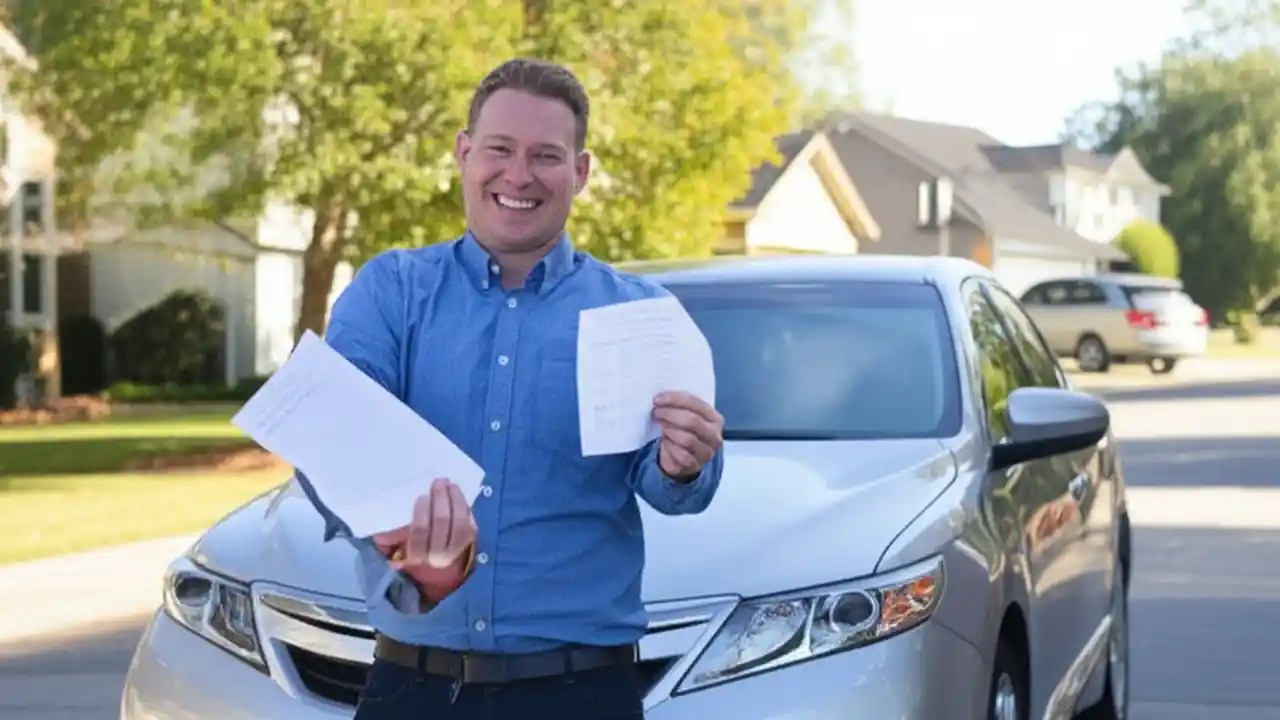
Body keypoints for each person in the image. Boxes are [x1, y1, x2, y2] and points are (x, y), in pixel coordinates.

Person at [306, 57, 726, 719]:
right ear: (464, 153)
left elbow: (678, 488)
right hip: (414, 689)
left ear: (581, 172)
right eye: (500, 149)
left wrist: (683, 462)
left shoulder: (638, 315)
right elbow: (329, 446)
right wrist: (399, 535)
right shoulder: (389, 293)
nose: (519, 174)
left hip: (581, 693)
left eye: (546, 155)